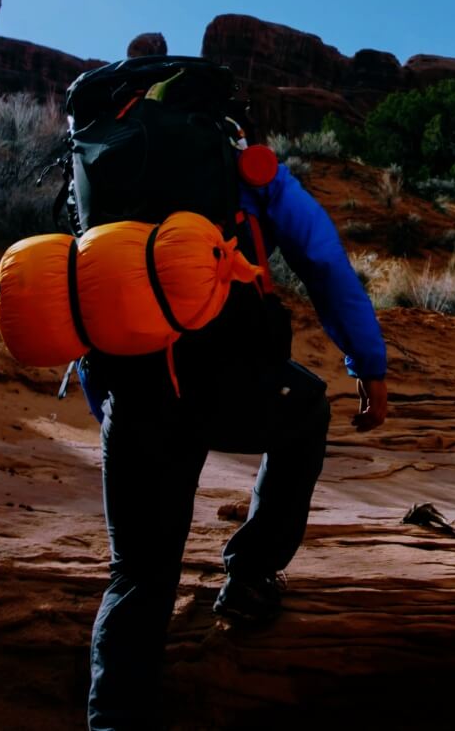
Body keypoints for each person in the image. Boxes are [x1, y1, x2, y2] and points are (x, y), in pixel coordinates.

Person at [83, 135, 389, 731]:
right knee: (307, 412)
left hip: (137, 391)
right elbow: (322, 260)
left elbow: (81, 286)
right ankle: (250, 576)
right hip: (233, 387)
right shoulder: (247, 169)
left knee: (139, 576)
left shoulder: (105, 167)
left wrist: (107, 407)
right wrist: (368, 364)